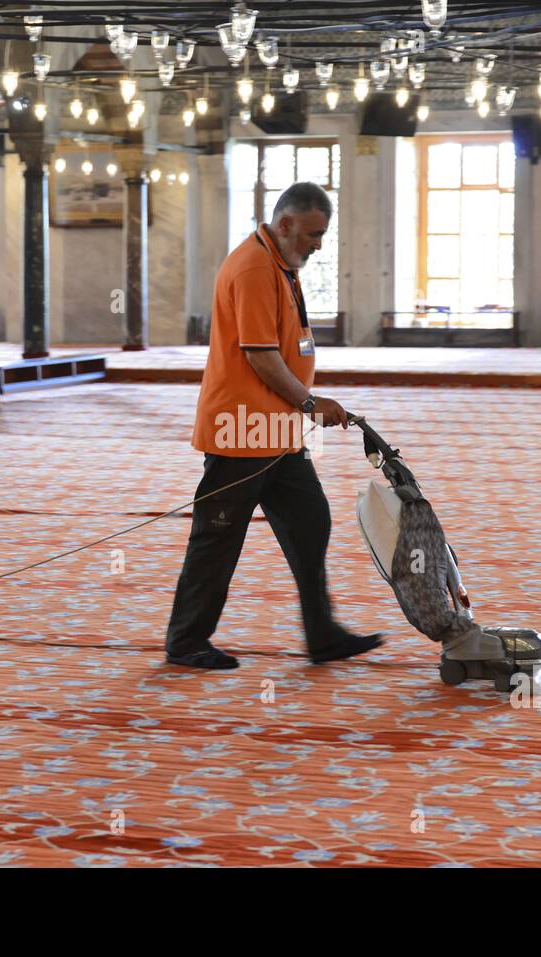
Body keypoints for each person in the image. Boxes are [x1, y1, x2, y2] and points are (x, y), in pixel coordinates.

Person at [164, 182, 383, 670]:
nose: (318, 244)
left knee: (310, 523)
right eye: (313, 234)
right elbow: (261, 357)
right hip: (241, 432)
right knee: (218, 537)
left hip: (275, 433)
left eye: (323, 235)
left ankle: (322, 633)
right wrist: (310, 402)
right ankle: (186, 641)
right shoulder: (255, 268)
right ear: (284, 225)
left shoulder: (282, 263)